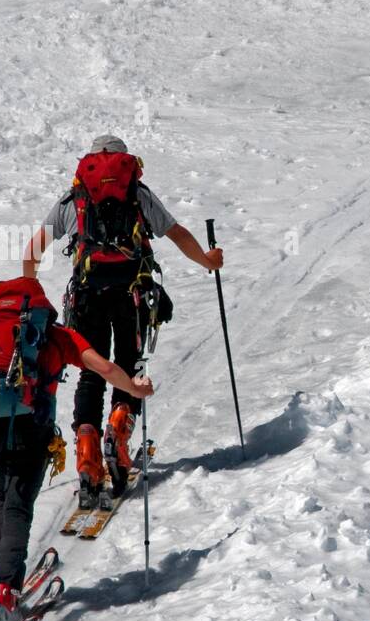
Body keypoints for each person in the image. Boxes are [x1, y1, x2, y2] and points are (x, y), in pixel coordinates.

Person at [0, 276, 153, 621]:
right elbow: (103, 367)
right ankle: (4, 594)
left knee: (3, 498)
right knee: (18, 505)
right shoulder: (55, 336)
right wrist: (134, 387)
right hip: (31, 428)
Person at [19, 134, 223, 507]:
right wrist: (207, 261)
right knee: (130, 365)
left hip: (86, 296)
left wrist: (29, 290)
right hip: (134, 295)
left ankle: (87, 453)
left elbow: (34, 247)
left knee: (91, 371)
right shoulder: (138, 193)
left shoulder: (75, 197)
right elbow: (175, 233)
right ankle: (119, 431)